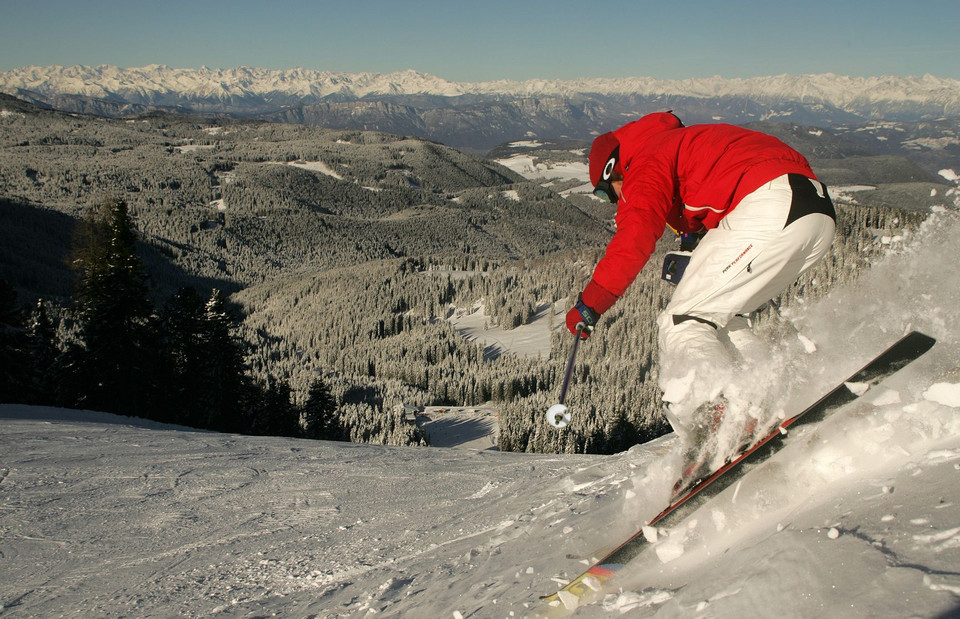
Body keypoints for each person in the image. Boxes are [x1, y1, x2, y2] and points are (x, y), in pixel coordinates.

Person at [565, 111, 836, 491]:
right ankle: (768, 401)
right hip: (814, 214)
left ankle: (722, 420)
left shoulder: (646, 158)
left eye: (606, 192)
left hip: (770, 205)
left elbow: (636, 233)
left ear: (613, 168)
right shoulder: (681, 145)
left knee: (684, 320)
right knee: (728, 316)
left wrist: (591, 302)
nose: (613, 200)